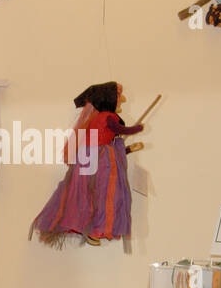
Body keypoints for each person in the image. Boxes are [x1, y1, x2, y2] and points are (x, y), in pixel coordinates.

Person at [31, 81, 143, 246]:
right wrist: (137, 128)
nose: (122, 100)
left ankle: (92, 228)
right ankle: (96, 229)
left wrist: (127, 149)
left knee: (92, 193)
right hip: (97, 156)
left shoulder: (98, 120)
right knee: (105, 193)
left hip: (89, 157)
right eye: (118, 97)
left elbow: (112, 139)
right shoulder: (107, 117)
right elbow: (120, 130)